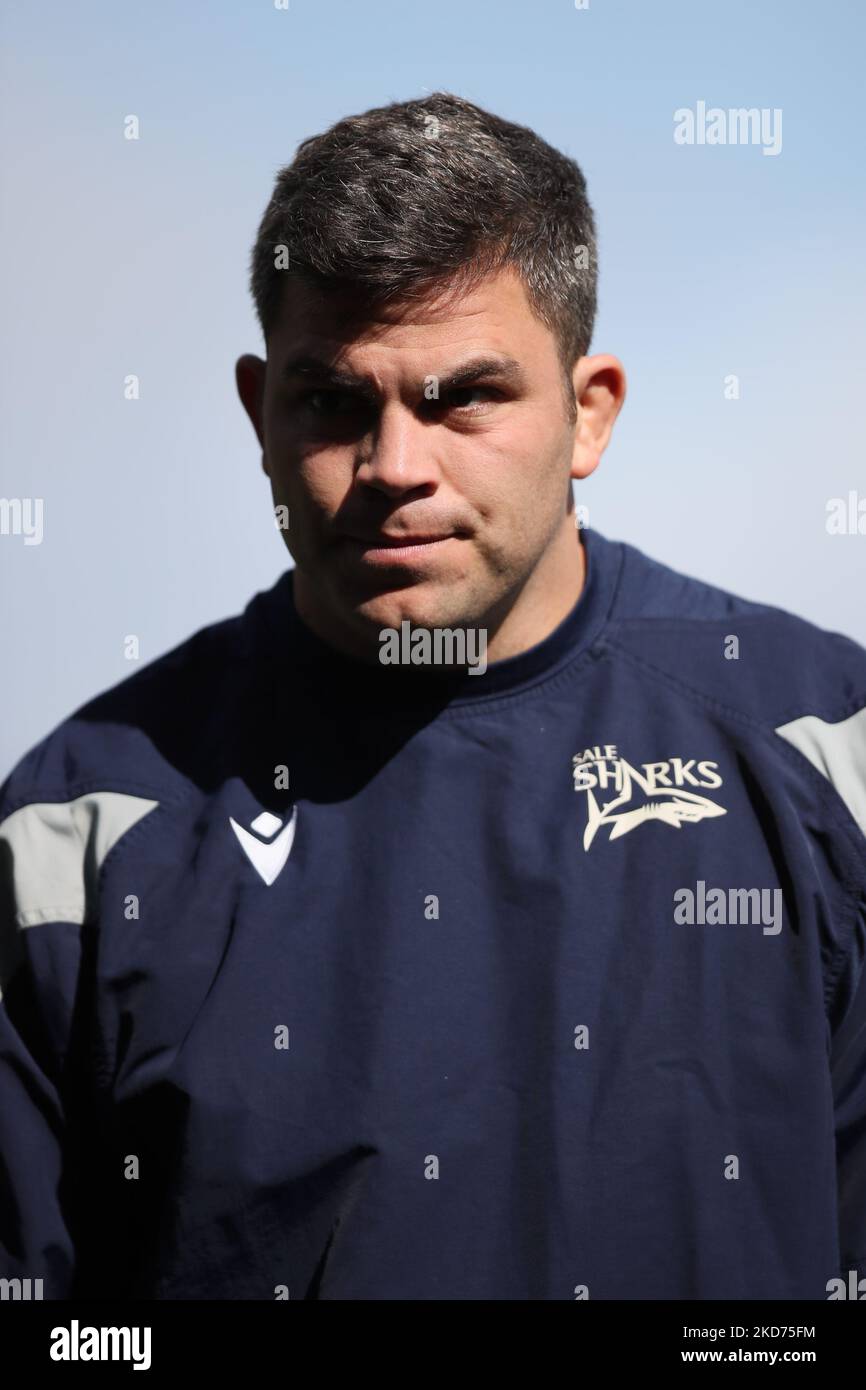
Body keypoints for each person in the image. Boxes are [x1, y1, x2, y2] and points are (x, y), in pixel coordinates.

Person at [1, 91, 864, 1301]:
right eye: (333, 403)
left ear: (588, 412)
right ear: (259, 412)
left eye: (462, 396)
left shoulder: (827, 752)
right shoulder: (71, 835)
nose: (394, 467)